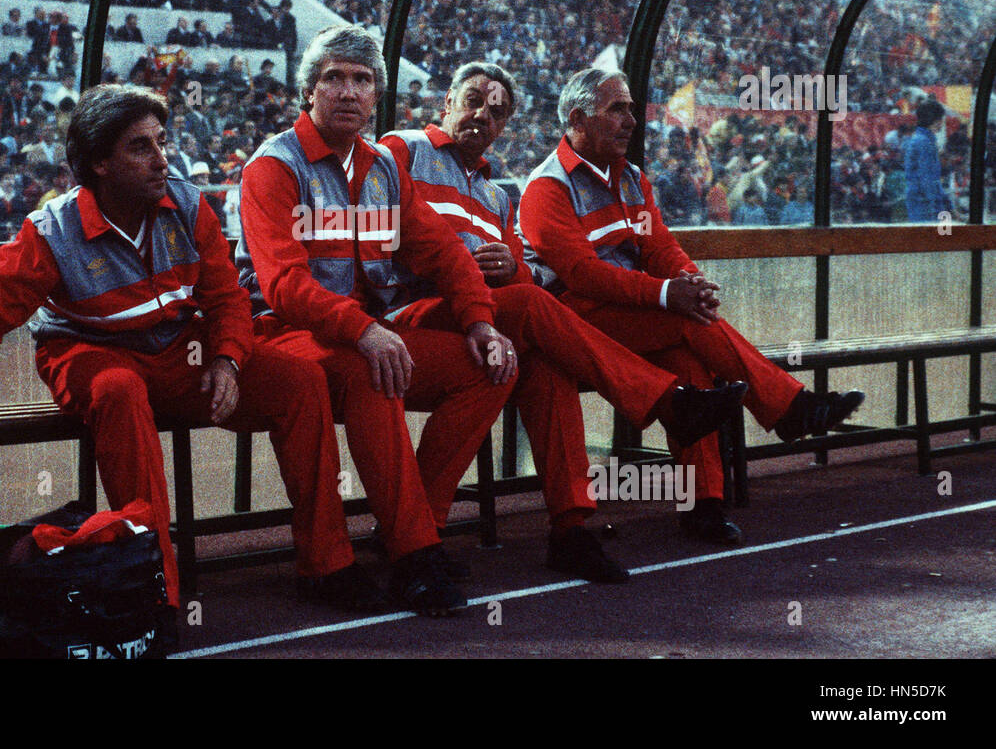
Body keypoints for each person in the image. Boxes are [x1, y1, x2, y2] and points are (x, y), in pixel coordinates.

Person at [0, 84, 387, 627]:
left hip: (176, 349)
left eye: (162, 141)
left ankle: (327, 564)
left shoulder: (188, 205)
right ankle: (157, 593)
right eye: (140, 147)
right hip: (89, 353)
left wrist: (228, 361)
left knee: (299, 379)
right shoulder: (51, 233)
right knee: (120, 391)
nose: (162, 159)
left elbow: (226, 300)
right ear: (99, 162)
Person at [381, 62, 747, 576]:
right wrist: (459, 267)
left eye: (498, 111)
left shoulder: (496, 197)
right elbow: (379, 227)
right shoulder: (403, 149)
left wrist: (510, 265)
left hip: (482, 323)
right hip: (412, 313)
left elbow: (523, 280)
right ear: (446, 102)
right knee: (535, 312)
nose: (483, 116)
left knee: (549, 365)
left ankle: (571, 529)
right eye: (472, 101)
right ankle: (666, 400)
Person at [235, 26, 518, 614]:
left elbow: (444, 253)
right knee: (371, 371)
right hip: (284, 334)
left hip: (364, 334)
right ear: (308, 91)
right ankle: (410, 555)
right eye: (333, 77)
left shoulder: (384, 167)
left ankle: (411, 525)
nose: (347, 91)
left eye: (361, 80)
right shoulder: (274, 166)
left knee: (490, 368)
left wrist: (481, 325)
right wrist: (365, 329)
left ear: (375, 95)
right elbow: (283, 286)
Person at [518, 68, 865, 543]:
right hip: (574, 323)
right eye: (616, 109)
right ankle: (789, 406)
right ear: (578, 118)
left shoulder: (634, 180)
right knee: (687, 327)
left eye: (632, 109)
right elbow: (583, 275)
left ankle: (704, 505)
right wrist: (666, 295)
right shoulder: (546, 188)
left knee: (691, 369)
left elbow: (660, 247)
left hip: (628, 319)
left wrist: (688, 280)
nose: (631, 120)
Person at [904, 97, 949, 222]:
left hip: (922, 202)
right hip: (925, 206)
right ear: (936, 120)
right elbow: (928, 179)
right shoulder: (924, 142)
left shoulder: (921, 139)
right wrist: (942, 210)